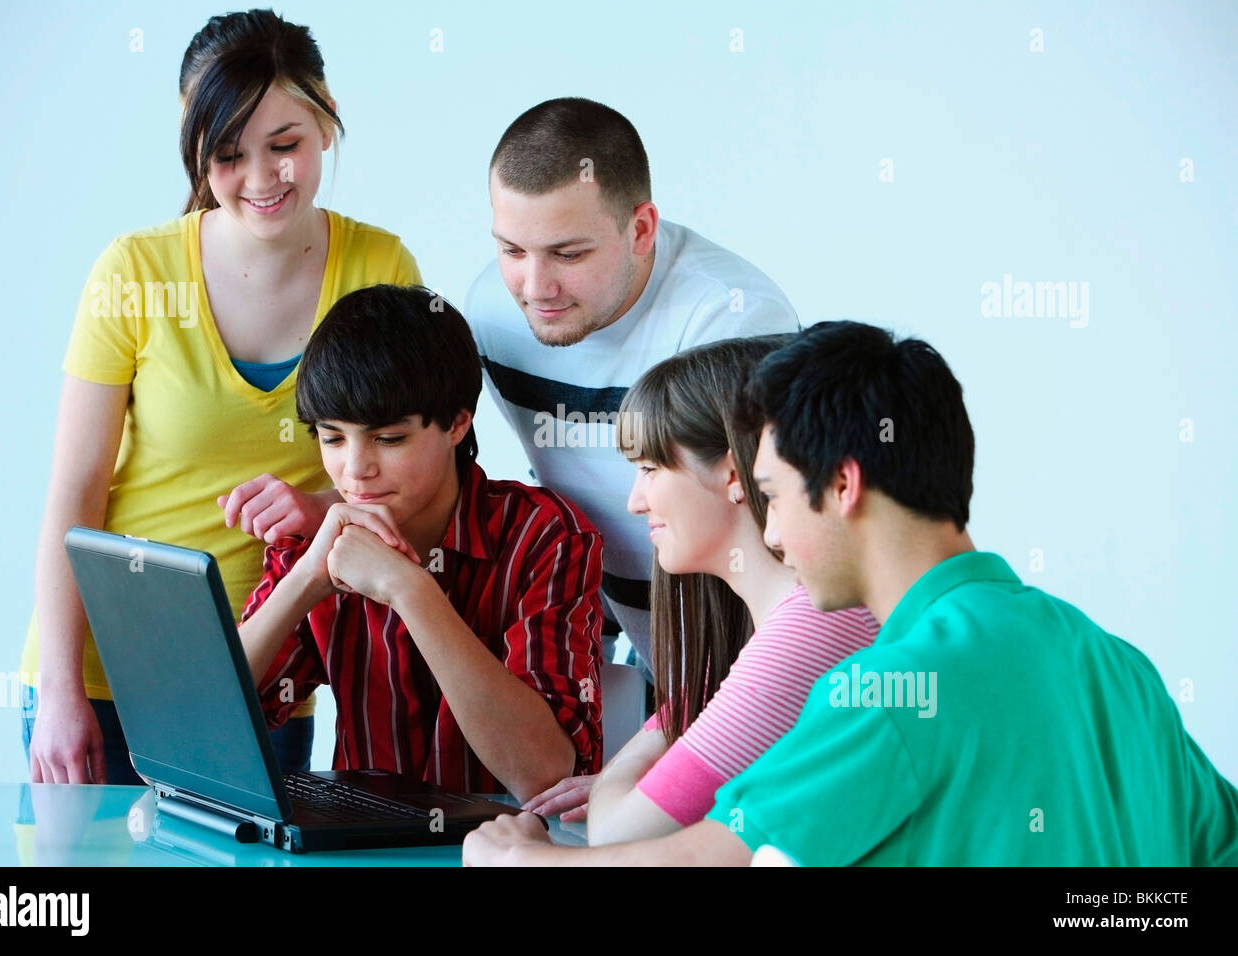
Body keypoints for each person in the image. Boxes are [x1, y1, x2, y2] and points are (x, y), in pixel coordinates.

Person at [462, 321, 1238, 865]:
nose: (771, 534)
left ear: (843, 484)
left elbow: (712, 858)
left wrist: (517, 864)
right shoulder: (1111, 661)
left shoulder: (882, 689)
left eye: (773, 494)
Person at [21, 9, 421, 785]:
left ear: (326, 122)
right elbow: (73, 494)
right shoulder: (134, 272)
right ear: (196, 152)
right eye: (228, 155)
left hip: (261, 682)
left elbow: (418, 472)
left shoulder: (384, 268)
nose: (264, 179)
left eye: (286, 145)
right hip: (102, 675)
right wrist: (59, 691)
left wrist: (318, 513)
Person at [464, 97, 800, 675]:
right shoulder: (492, 313)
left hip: (748, 645)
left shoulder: (730, 320)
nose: (536, 287)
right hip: (620, 637)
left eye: (568, 253)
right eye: (512, 250)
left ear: (641, 228)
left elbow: (773, 534)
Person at [236, 285, 604, 800]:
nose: (356, 470)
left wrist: (410, 590)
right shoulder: (317, 543)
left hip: (507, 845)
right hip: (360, 850)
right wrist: (305, 580)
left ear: (458, 422)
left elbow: (544, 774)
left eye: (389, 439)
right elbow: (206, 725)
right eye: (332, 437)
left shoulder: (545, 535)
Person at [521, 336, 878, 843]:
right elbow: (666, 742)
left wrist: (614, 789)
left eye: (649, 470)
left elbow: (619, 832)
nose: (634, 502)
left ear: (734, 474)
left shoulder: (813, 627)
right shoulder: (765, 627)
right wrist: (626, 785)